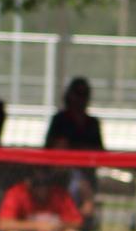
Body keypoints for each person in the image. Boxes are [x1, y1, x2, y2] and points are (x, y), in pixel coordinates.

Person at [43, 76, 104, 222]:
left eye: (84, 94)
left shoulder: (92, 123)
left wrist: (78, 149)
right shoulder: (60, 120)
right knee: (74, 181)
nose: (81, 99)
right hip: (59, 175)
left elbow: (99, 151)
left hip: (86, 174)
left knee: (80, 182)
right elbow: (53, 147)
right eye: (77, 94)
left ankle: (79, 219)